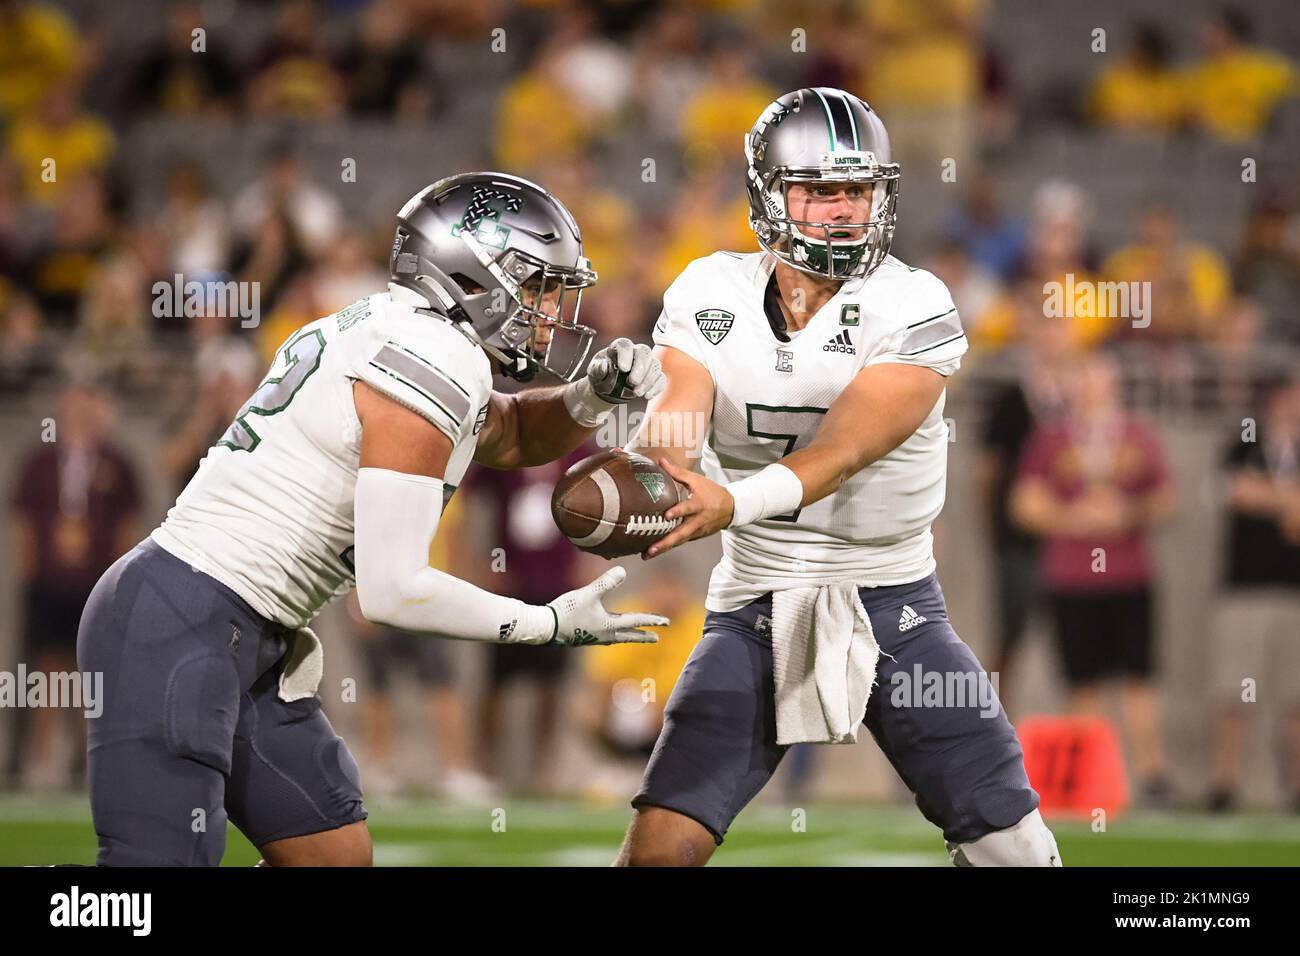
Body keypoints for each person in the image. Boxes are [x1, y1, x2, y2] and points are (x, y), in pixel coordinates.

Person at [76, 172, 669, 867]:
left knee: (334, 857)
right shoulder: (425, 361)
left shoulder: (408, 335)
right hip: (180, 619)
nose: (550, 310)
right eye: (537, 287)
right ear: (471, 275)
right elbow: (394, 591)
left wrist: (591, 398)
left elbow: (505, 433)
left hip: (244, 628)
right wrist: (550, 623)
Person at [613, 89, 1059, 867]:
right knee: (659, 849)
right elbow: (682, 409)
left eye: (856, 189)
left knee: (1014, 850)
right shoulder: (709, 290)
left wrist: (731, 501)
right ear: (768, 194)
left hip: (891, 603)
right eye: (818, 189)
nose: (843, 209)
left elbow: (843, 449)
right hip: (755, 601)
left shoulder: (916, 302)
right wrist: (657, 466)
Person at [1011, 352, 1176, 804]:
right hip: (1071, 579)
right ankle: (1095, 781)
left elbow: (1166, 499)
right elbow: (1024, 504)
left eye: (1099, 380)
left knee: (1139, 679)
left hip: (1128, 576)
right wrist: (1073, 518)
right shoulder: (1051, 439)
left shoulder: (1137, 436)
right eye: (1083, 380)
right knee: (1083, 683)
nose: (1090, 389)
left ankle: (1154, 778)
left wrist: (1128, 514)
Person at [9, 376, 141, 789]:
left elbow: (128, 525)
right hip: (49, 585)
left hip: (95, 585)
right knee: (44, 672)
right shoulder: (40, 461)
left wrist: (119, 579)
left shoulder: (116, 462)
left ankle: (85, 764)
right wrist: (29, 576)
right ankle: (36, 763)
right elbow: (23, 523)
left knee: (92, 674)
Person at [1206, 378, 1300, 812]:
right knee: (1236, 690)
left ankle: (1294, 788)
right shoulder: (1245, 440)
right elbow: (1235, 491)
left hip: (1292, 592)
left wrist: (1268, 497)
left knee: (1295, 696)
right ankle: (1225, 783)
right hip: (1246, 590)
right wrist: (1287, 501)